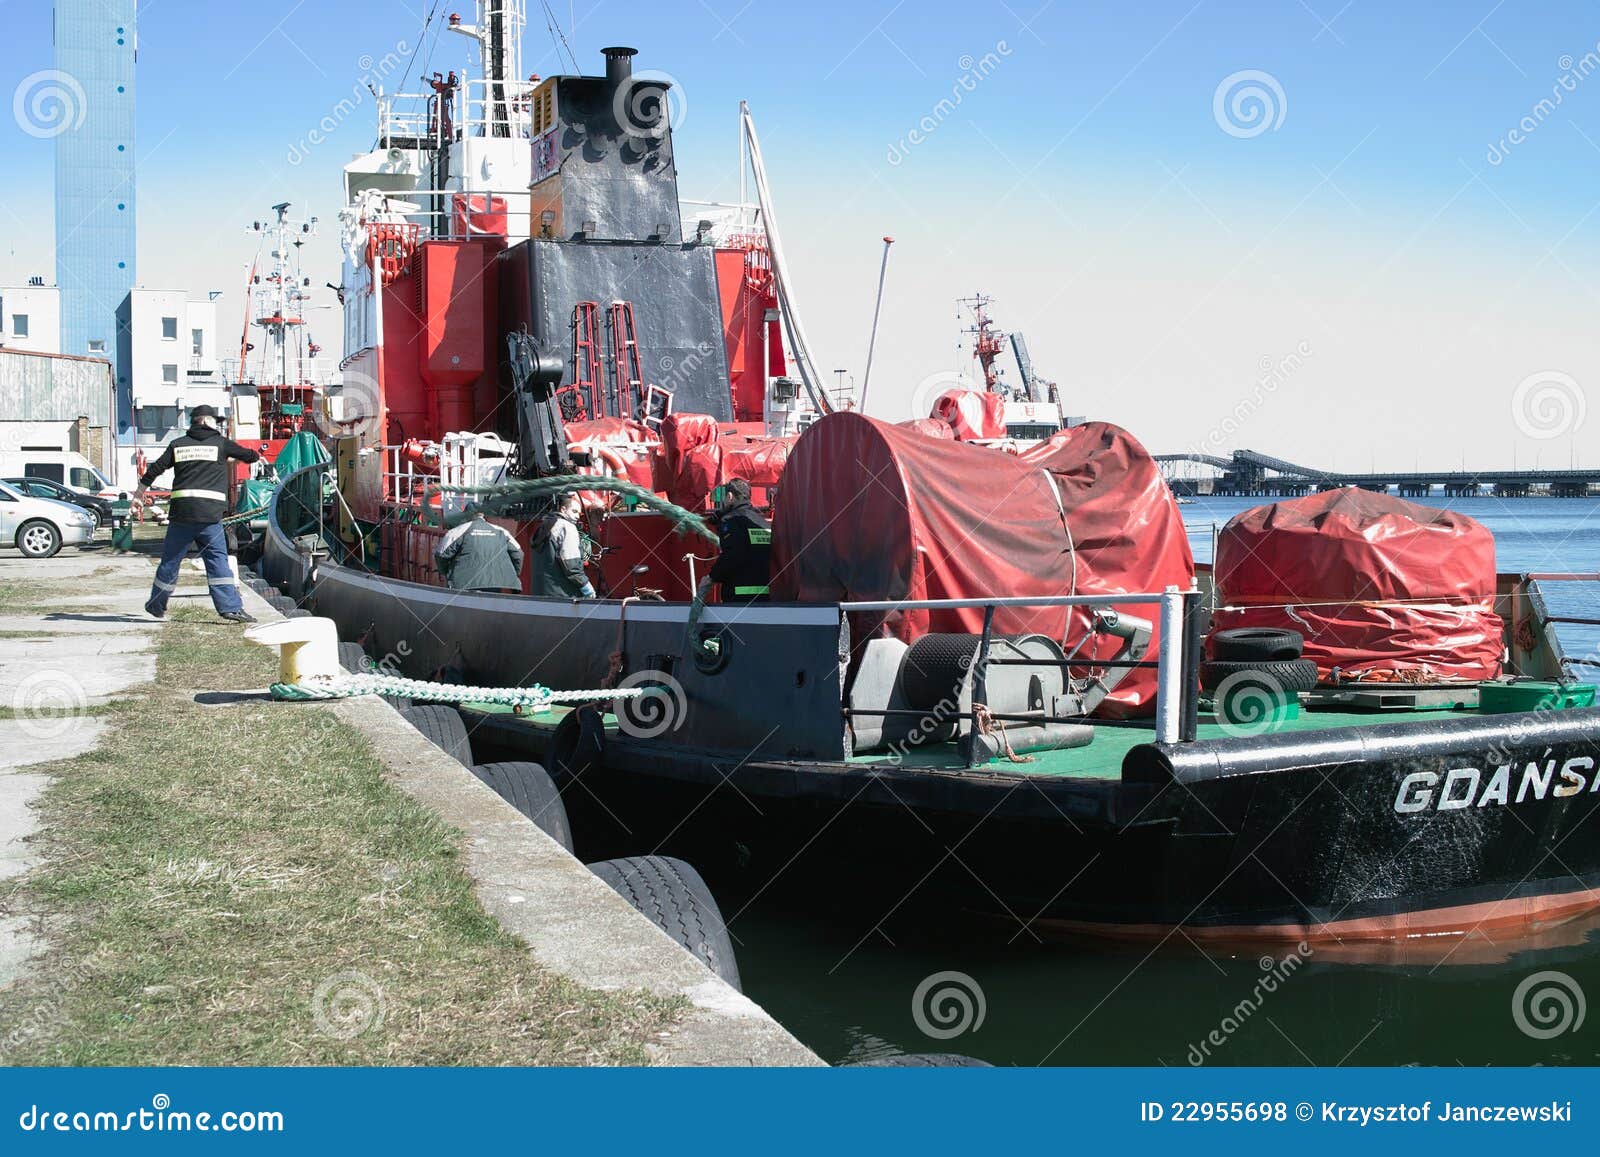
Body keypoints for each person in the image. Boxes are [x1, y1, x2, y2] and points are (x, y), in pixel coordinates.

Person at [134, 405, 260, 623]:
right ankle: (230, 608)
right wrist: (231, 458)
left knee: (170, 562)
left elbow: (155, 470)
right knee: (217, 561)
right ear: (207, 421)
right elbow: (252, 456)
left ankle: (156, 604)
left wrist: (138, 494)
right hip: (209, 518)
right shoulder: (221, 444)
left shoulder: (178, 445)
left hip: (181, 516)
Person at [709, 478, 772, 602]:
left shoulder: (730, 520)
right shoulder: (763, 523)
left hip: (738, 596)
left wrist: (712, 577)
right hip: (764, 596)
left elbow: (732, 554)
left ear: (730, 496)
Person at [435, 513, 525, 593]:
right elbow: (518, 554)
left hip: (463, 584)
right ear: (483, 516)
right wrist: (514, 574)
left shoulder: (457, 531)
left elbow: (441, 555)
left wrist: (445, 572)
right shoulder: (501, 531)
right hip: (495, 583)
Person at [530, 492, 595, 599]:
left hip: (540, 592)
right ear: (563, 509)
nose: (577, 516)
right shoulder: (567, 527)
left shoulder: (543, 526)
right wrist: (585, 585)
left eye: (579, 513)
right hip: (562, 594)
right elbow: (571, 564)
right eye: (574, 511)